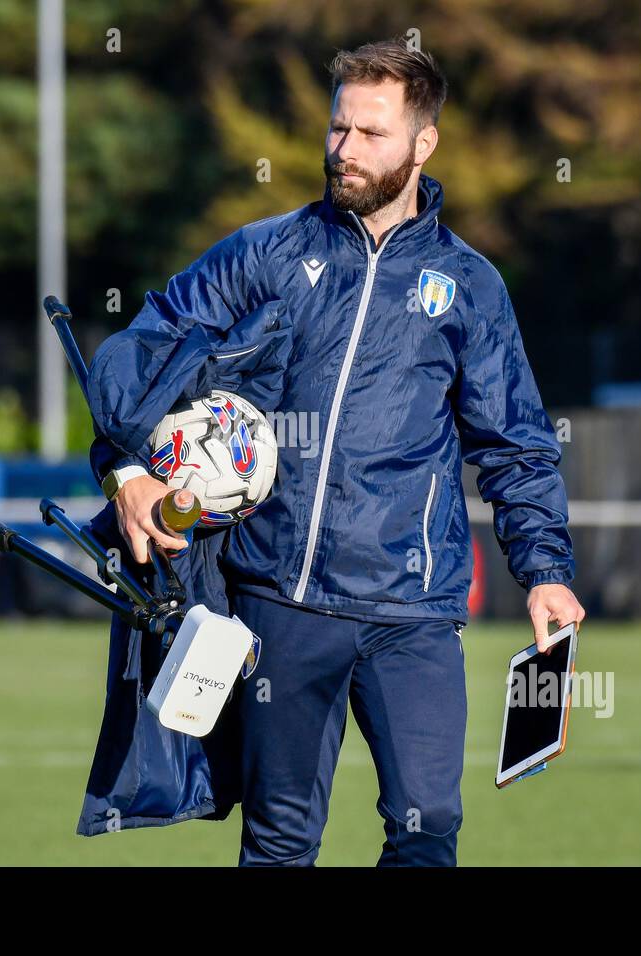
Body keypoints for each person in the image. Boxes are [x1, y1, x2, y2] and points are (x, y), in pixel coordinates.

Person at [87, 38, 585, 866]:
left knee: (428, 827)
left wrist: (546, 570)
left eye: (370, 133)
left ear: (423, 144)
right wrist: (131, 470)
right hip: (282, 603)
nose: (344, 150)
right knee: (281, 843)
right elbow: (137, 353)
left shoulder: (471, 287)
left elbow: (518, 445)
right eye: (337, 128)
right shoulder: (265, 254)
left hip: (414, 611)